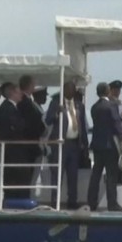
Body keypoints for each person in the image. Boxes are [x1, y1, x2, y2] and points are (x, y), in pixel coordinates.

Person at [45, 82, 88, 210]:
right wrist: (57, 113)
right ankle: (55, 201)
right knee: (57, 174)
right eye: (68, 89)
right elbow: (48, 120)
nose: (70, 91)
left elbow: (82, 126)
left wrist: (84, 144)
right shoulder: (56, 103)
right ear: (63, 90)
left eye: (72, 89)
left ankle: (72, 201)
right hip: (60, 144)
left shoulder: (79, 105)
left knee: (73, 174)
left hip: (74, 144)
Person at [88, 82, 122, 211]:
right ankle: (112, 203)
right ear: (108, 91)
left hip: (97, 144)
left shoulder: (94, 107)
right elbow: (115, 123)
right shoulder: (111, 106)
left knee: (96, 174)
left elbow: (104, 122)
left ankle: (91, 202)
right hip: (109, 145)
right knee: (112, 175)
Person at [0, 82, 28, 200]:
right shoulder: (6, 108)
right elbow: (14, 126)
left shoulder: (12, 107)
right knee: (13, 175)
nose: (21, 95)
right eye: (19, 92)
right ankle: (12, 199)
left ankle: (16, 198)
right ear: (11, 93)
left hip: (15, 148)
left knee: (17, 175)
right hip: (11, 149)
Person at [17, 76, 46, 185]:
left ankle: (28, 192)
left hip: (34, 142)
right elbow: (30, 121)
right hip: (28, 143)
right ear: (29, 86)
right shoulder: (24, 102)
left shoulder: (29, 101)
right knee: (27, 173)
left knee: (32, 172)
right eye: (33, 84)